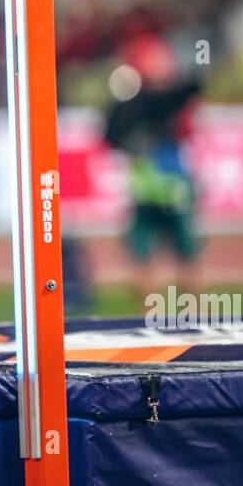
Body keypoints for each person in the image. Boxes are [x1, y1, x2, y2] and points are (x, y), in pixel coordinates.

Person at [103, 37, 202, 302]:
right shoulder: (155, 102)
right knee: (169, 255)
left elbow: (110, 137)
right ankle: (184, 314)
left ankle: (173, 313)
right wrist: (200, 54)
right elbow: (192, 89)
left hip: (160, 190)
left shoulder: (143, 104)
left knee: (163, 256)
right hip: (162, 190)